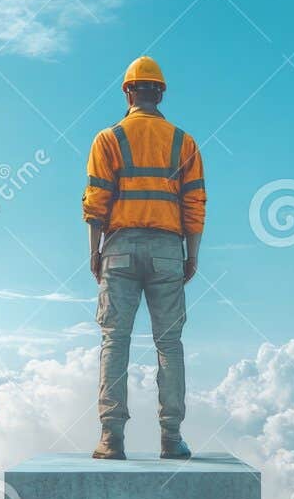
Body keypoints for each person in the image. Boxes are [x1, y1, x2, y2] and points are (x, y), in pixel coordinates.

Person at [82, 55, 206, 461]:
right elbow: (195, 204)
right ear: (160, 94)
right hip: (168, 251)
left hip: (118, 249)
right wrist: (191, 255)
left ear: (128, 93)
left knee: (114, 341)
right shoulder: (184, 142)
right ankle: (171, 438)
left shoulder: (108, 139)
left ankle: (110, 438)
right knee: (169, 344)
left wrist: (95, 250)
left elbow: (96, 200)